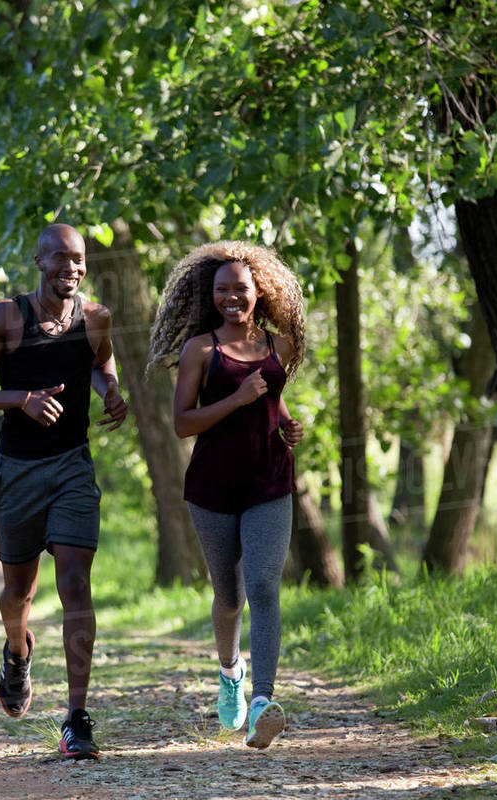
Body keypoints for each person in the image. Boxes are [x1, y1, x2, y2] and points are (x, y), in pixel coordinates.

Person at [0, 223, 128, 760]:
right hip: (19, 470)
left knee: (75, 582)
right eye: (60, 259)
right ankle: (16, 649)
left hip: (73, 465)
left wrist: (110, 391)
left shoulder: (96, 318)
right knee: (19, 596)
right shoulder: (6, 317)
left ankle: (77, 718)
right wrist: (20, 399)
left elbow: (100, 362)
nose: (71, 268)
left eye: (78, 260)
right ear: (38, 262)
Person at [146, 240, 306, 750]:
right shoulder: (200, 350)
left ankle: (262, 701)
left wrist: (287, 425)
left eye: (241, 288)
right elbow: (181, 422)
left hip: (269, 483)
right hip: (212, 489)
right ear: (209, 294)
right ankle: (230, 671)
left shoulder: (280, 346)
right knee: (228, 595)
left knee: (263, 586)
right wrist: (237, 399)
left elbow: (273, 402)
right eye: (222, 290)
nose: (231, 297)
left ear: (260, 291)